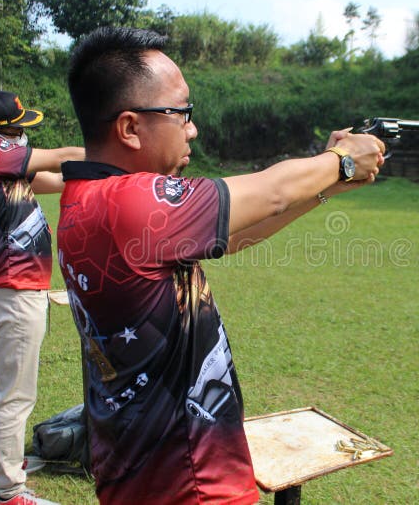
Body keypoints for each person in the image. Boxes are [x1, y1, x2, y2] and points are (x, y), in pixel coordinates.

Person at [58, 27, 385, 504]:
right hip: (190, 484)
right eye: (180, 112)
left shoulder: (92, 200)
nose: (191, 128)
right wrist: (341, 160)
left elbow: (236, 234)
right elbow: (270, 191)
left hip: (141, 472)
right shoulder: (129, 204)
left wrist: (328, 183)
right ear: (129, 127)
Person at [0, 90, 84, 505]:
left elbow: (56, 178)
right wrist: (108, 151)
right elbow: (60, 157)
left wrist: (95, 171)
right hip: (14, 288)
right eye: (18, 129)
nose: (22, 135)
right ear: (0, 133)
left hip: (7, 286)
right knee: (16, 394)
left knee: (5, 385)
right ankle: (9, 492)